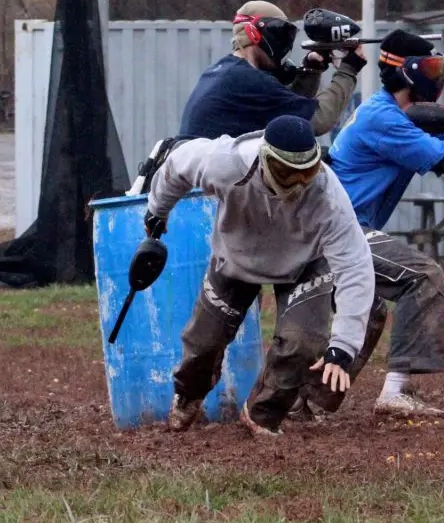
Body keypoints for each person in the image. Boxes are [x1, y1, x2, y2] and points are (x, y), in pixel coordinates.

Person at [303, 29, 444, 419]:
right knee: (424, 276)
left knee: (371, 308)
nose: (437, 75)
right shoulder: (384, 120)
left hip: (339, 228)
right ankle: (394, 393)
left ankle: (310, 403)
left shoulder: (396, 116)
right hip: (335, 232)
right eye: (431, 67)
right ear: (407, 74)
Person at [144, 114, 375, 437]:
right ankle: (189, 394)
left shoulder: (326, 193)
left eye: (305, 174)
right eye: (287, 173)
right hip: (236, 257)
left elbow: (355, 265)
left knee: (302, 345)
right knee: (202, 345)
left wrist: (343, 346)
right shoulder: (225, 163)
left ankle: (263, 413)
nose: (296, 185)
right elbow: (176, 165)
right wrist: (157, 210)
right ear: (265, 160)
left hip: (304, 263)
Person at [178, 0, 366, 140]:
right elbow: (319, 120)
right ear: (254, 33)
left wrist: (311, 70)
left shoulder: (224, 72)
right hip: (209, 187)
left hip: (201, 180)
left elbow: (285, 110)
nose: (284, 44)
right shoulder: (248, 80)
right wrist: (348, 69)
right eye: (280, 34)